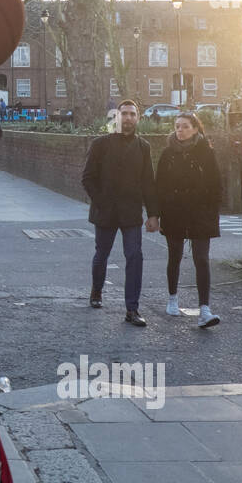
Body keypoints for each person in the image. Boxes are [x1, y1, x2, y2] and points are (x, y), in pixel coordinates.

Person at [81, 99, 158, 326]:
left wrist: (153, 214)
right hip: (105, 212)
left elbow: (148, 183)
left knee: (134, 257)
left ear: (138, 118)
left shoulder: (144, 147)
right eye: (124, 114)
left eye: (132, 114)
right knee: (101, 254)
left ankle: (132, 310)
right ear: (117, 117)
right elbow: (87, 178)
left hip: (131, 213)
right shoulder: (100, 144)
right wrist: (102, 202)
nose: (128, 118)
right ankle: (96, 291)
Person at [156, 112, 222, 328]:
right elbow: (160, 184)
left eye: (185, 126)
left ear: (195, 128)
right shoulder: (167, 153)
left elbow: (216, 185)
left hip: (200, 213)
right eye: (177, 126)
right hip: (174, 213)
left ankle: (205, 309)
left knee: (201, 259)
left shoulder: (206, 152)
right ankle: (172, 299)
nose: (180, 130)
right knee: (174, 256)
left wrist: (211, 210)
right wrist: (158, 212)